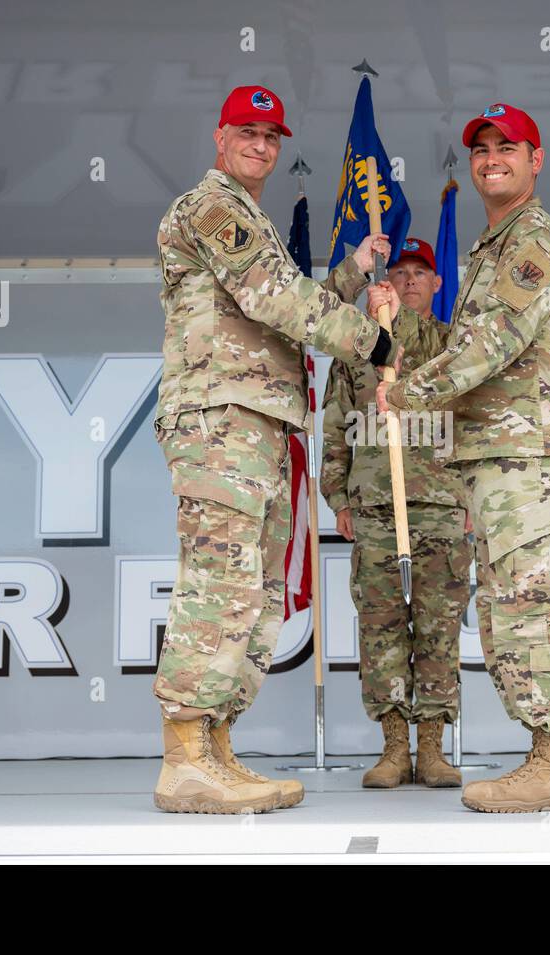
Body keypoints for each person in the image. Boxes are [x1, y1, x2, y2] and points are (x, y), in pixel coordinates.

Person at [152, 85, 399, 814]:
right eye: (248, 133)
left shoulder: (250, 216)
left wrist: (353, 273)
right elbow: (273, 298)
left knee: (255, 596)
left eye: (272, 136)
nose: (262, 146)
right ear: (220, 136)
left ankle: (217, 748)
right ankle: (184, 756)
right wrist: (371, 338)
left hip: (258, 422)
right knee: (219, 583)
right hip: (220, 418)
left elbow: (287, 300)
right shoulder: (212, 207)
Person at [373, 103, 550, 812]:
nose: (491, 157)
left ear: (537, 158)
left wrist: (408, 392)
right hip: (499, 460)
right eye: (481, 148)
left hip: (529, 456)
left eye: (508, 146)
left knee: (535, 604)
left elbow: (488, 345)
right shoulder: (490, 248)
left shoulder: (534, 240)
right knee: (508, 610)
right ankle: (545, 753)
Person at [320, 237, 472, 789]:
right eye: (400, 271)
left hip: (440, 505)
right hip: (376, 507)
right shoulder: (357, 348)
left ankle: (431, 748)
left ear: (435, 284)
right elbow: (334, 428)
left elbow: (476, 423)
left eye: (419, 273)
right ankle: (392, 749)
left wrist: (474, 497)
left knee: (437, 628)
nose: (408, 280)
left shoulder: (453, 346)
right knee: (381, 627)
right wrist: (337, 498)